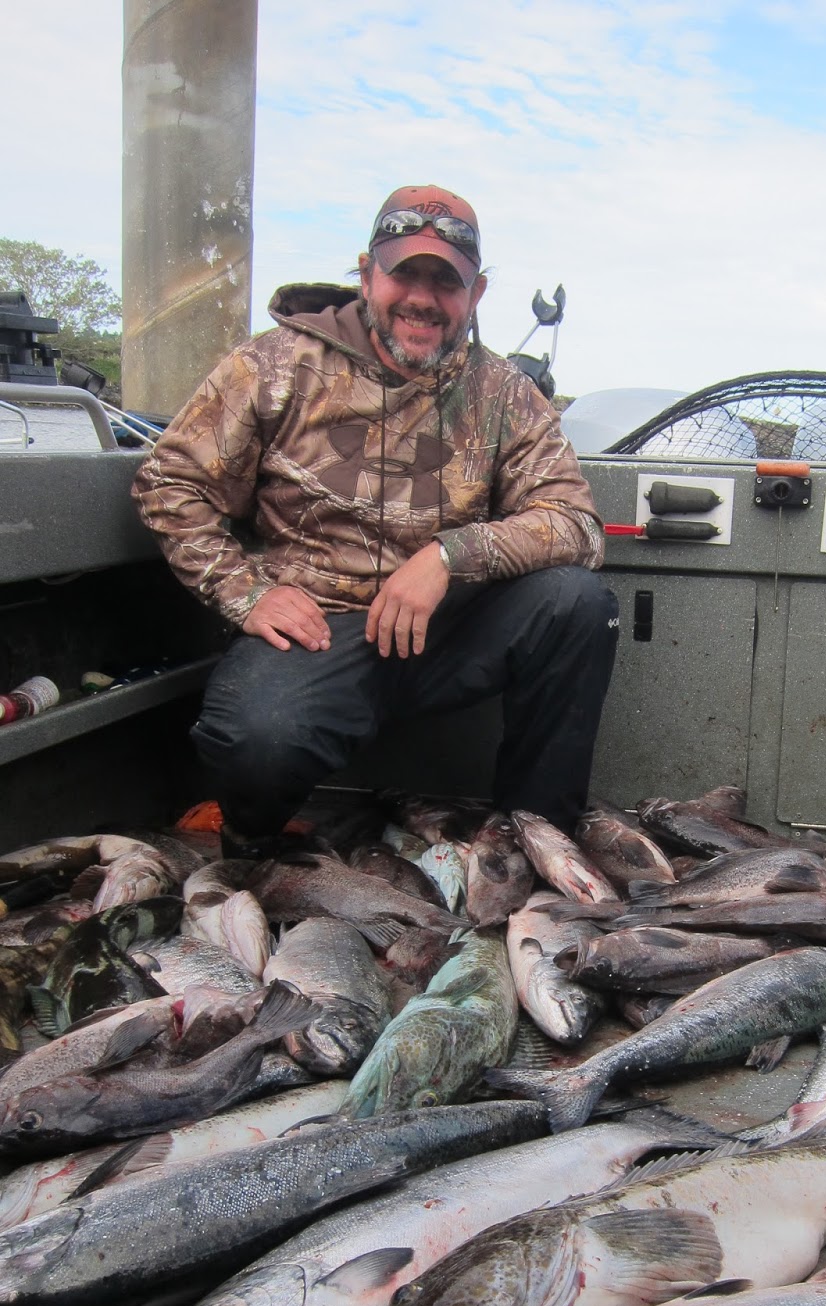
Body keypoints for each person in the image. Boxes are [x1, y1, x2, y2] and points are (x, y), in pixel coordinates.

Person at [132, 184, 618, 855]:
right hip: (316, 632)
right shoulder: (274, 365)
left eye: (446, 282)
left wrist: (448, 557)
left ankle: (535, 847)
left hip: (443, 630)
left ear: (474, 296)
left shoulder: (504, 393)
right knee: (255, 739)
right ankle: (256, 840)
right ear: (366, 274)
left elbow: (576, 526)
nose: (422, 297)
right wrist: (247, 593)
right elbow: (170, 482)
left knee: (579, 602)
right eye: (404, 273)